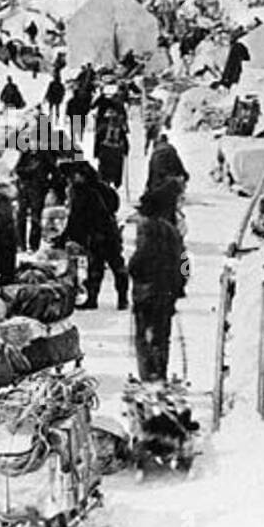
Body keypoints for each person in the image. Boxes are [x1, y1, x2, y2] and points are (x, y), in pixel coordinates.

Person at [128, 185, 186, 381]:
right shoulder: (172, 230)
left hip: (147, 290)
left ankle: (148, 375)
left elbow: (141, 258)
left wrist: (132, 269)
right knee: (162, 335)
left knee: (143, 335)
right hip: (167, 290)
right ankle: (160, 373)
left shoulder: (147, 229)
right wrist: (179, 284)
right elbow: (184, 261)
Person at [54, 160, 129, 311]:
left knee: (96, 267)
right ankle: (122, 299)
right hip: (110, 232)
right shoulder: (103, 188)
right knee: (116, 266)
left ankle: (93, 299)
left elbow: (75, 218)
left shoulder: (82, 192)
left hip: (96, 234)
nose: (70, 180)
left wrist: (63, 238)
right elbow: (114, 205)